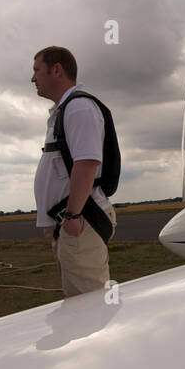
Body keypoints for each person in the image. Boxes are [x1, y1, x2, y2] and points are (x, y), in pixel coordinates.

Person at [32, 46, 118, 296]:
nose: (33, 78)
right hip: (74, 223)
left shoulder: (79, 108)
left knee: (89, 307)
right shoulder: (67, 109)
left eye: (37, 70)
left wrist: (71, 216)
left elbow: (87, 163)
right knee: (80, 304)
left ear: (56, 69)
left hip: (80, 222)